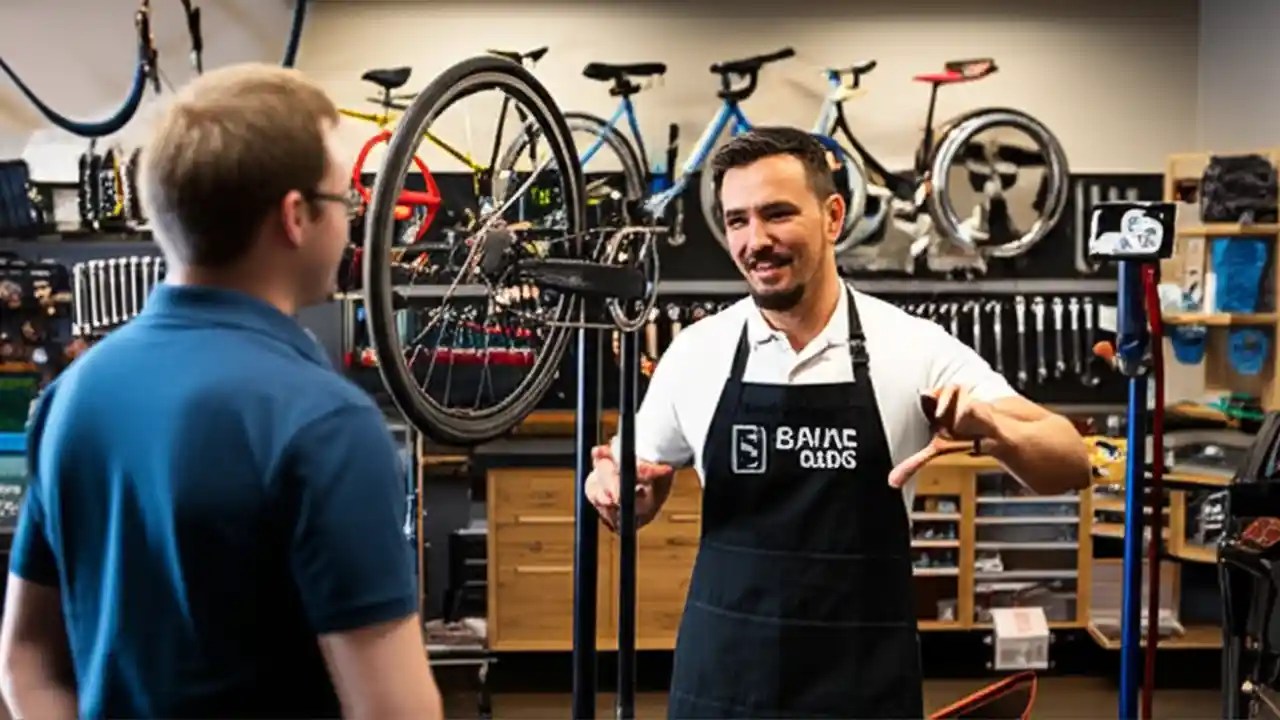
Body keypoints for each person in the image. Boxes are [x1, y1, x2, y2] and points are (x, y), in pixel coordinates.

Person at [585, 126, 1092, 719]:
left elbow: (1072, 462)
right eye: (738, 220)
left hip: (861, 684)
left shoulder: (912, 349)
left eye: (777, 214)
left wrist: (994, 428)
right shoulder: (698, 353)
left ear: (832, 216)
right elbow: (628, 483)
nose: (756, 240)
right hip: (724, 679)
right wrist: (622, 495)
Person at [0, 64, 443, 719]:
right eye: (344, 202)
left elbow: (25, 660)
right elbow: (395, 712)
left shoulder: (70, 399)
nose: (351, 223)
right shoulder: (325, 421)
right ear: (296, 217)